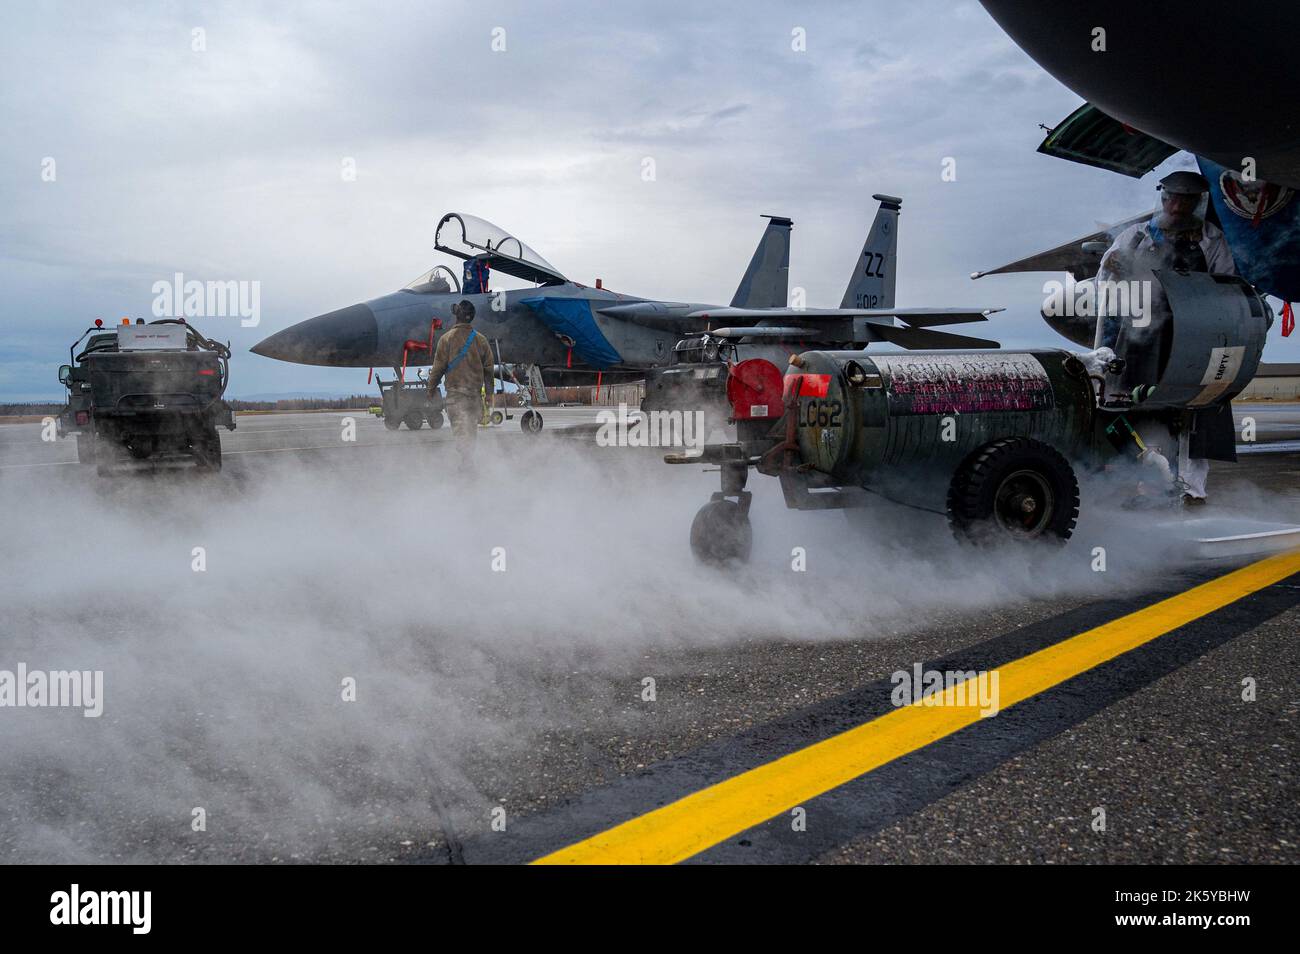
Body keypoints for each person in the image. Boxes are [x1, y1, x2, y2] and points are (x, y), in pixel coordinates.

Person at [1096, 170, 1237, 506]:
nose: (1176, 205)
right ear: (1162, 198)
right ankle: (1145, 484)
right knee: (1139, 409)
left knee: (1195, 414)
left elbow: (1227, 285)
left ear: (1197, 202)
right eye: (1171, 197)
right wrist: (1112, 268)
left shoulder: (1212, 240)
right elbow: (1106, 279)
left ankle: (1192, 491)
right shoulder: (1136, 236)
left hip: (1193, 338)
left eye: (1185, 199)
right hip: (1143, 339)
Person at [428, 299, 494, 469]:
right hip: (474, 396)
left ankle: (466, 464)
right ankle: (468, 460)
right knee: (470, 429)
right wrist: (489, 394)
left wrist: (431, 389)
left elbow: (438, 368)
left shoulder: (446, 339)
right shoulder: (481, 340)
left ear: (456, 315)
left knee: (459, 429)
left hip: (455, 395)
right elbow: (489, 370)